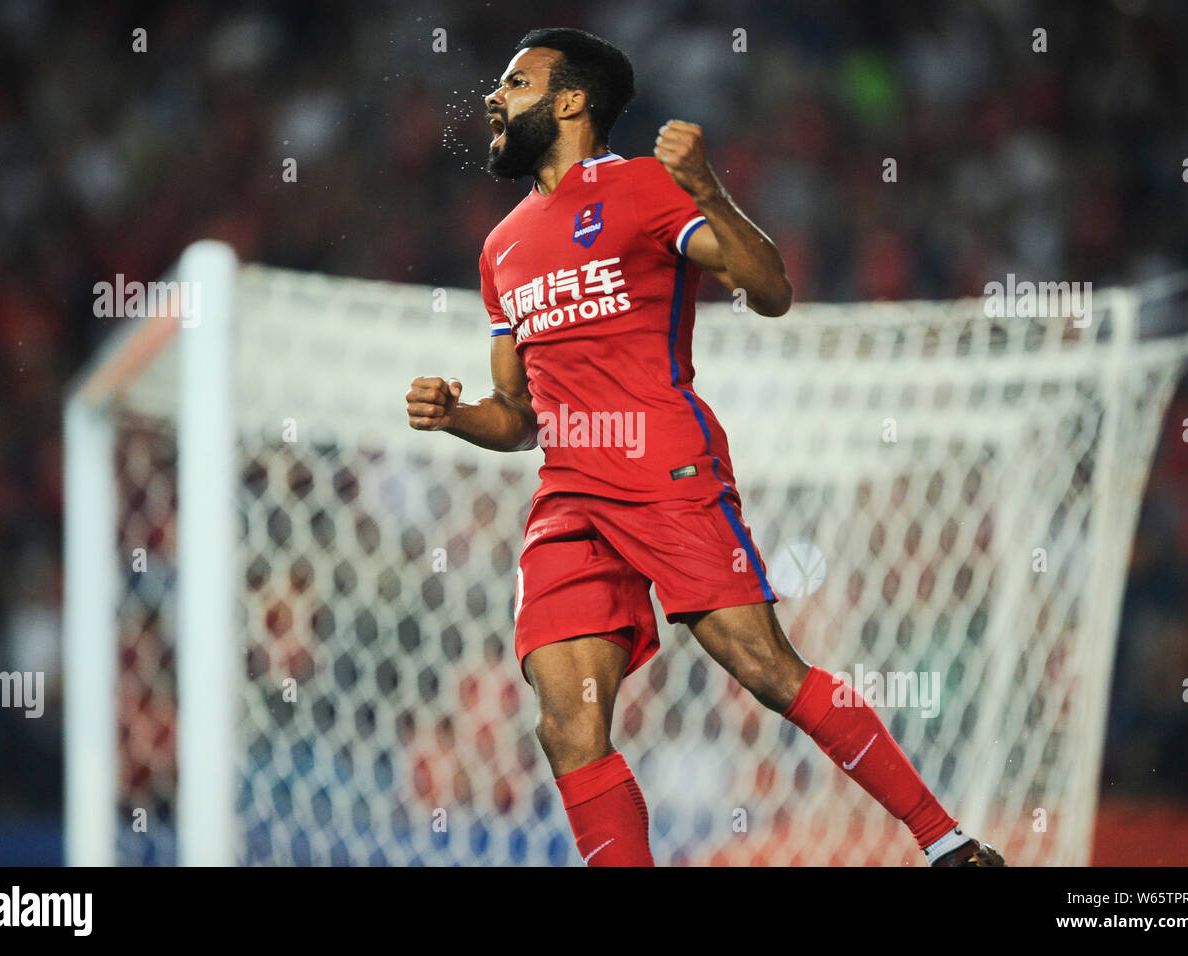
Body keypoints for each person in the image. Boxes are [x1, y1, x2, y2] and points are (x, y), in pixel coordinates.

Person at [406, 26, 1004, 867]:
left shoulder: (646, 190)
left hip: (664, 470)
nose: (494, 99)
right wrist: (457, 413)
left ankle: (950, 845)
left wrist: (710, 190)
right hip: (569, 500)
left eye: (516, 83)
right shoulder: (499, 247)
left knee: (764, 667)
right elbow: (518, 413)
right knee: (566, 726)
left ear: (572, 100)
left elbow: (772, 291)